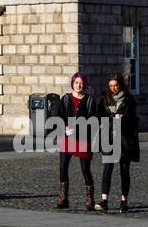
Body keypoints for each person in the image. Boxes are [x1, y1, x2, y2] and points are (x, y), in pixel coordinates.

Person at [55, 71, 101, 211]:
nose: (78, 85)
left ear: (85, 84)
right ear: (72, 83)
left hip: (83, 138)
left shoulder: (89, 100)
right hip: (68, 136)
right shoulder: (65, 99)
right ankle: (63, 198)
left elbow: (93, 119)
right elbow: (58, 116)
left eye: (81, 83)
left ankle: (90, 200)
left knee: (85, 169)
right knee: (63, 167)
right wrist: (65, 127)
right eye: (76, 82)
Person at [95, 73, 139, 213]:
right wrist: (113, 118)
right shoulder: (104, 99)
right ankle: (104, 201)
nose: (113, 88)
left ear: (121, 85)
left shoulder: (129, 100)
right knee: (107, 169)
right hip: (108, 138)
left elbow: (133, 120)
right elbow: (99, 117)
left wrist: (123, 118)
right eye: (111, 86)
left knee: (124, 170)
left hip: (125, 139)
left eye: (116, 85)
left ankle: (124, 201)